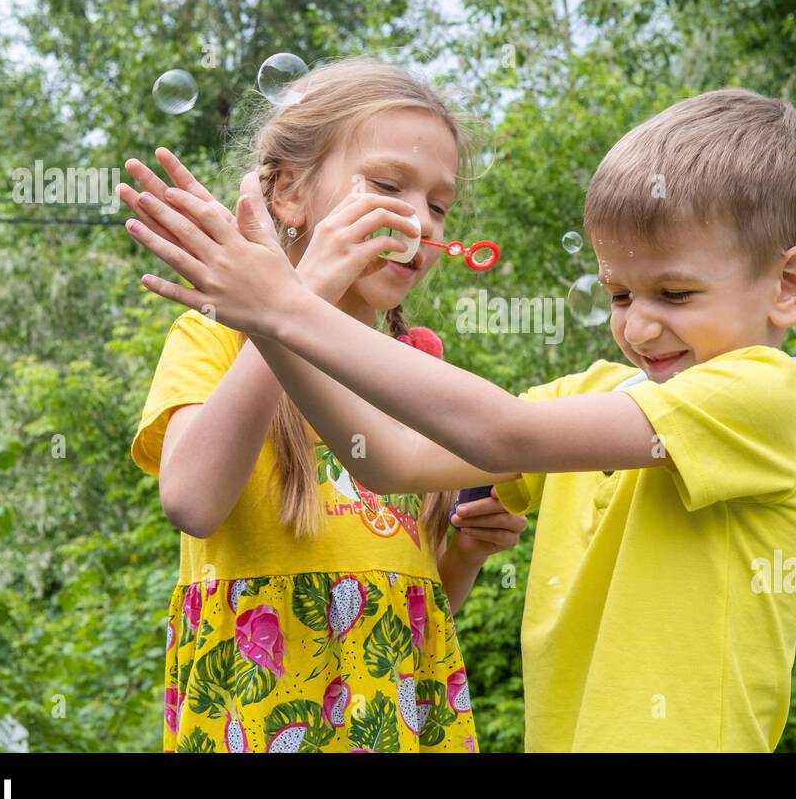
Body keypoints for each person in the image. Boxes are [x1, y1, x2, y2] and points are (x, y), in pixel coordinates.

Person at [125, 86, 796, 752]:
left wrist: (282, 307)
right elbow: (389, 457)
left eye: (674, 292)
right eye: (619, 296)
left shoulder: (764, 395)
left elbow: (501, 433)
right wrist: (274, 318)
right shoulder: (592, 392)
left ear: (788, 285)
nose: (641, 328)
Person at [124, 58, 526, 752]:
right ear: (288, 193)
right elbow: (190, 500)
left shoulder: (415, 378)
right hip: (258, 715)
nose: (418, 220)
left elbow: (410, 611)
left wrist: (463, 554)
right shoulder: (216, 338)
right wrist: (292, 304)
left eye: (438, 205)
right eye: (389, 185)